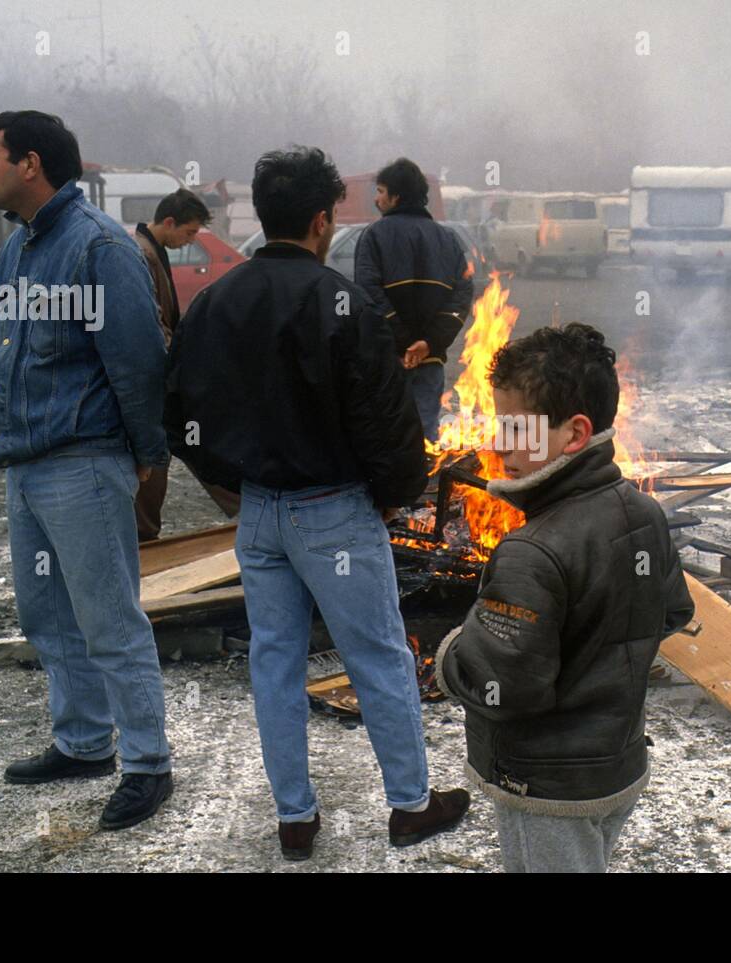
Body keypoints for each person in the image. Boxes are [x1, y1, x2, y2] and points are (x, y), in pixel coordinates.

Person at [163, 146, 470, 861]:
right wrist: (395, 496)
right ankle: (410, 805)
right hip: (334, 509)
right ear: (322, 219)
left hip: (260, 513)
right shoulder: (344, 304)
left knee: (274, 663)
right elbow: (385, 419)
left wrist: (227, 483)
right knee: (379, 655)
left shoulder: (215, 302)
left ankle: (295, 820)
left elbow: (176, 409)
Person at [435, 323, 695, 873]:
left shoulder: (533, 549)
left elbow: (503, 684)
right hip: (615, 764)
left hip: (546, 784)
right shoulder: (643, 511)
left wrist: (451, 652)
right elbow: (673, 610)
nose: (498, 444)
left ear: (575, 434)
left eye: (513, 428)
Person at [0, 110, 173, 829]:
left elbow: (138, 362)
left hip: (84, 466)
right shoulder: (21, 249)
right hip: (27, 467)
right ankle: (85, 741)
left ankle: (148, 763)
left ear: (30, 164)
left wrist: (150, 457)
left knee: (109, 620)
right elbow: (5, 346)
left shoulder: (99, 249)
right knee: (48, 614)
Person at [131, 188, 241, 540]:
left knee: (184, 447)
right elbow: (149, 323)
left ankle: (146, 534)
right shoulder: (142, 254)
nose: (191, 241)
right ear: (168, 222)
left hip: (160, 375)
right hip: (153, 378)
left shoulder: (150, 249)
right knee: (165, 456)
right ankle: (144, 538)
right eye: (190, 233)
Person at [354, 157, 473, 443]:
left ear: (396, 197)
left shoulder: (373, 236)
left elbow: (368, 293)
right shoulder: (448, 239)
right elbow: (462, 296)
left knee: (385, 438)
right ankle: (424, 488)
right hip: (429, 360)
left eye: (381, 191)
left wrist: (402, 340)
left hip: (388, 360)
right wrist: (428, 343)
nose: (376, 198)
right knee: (424, 441)